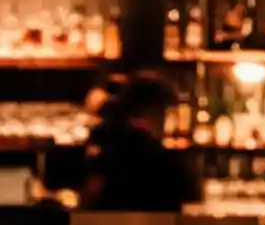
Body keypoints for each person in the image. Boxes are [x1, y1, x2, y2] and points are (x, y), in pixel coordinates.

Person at [79, 71, 199, 212]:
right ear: (156, 112)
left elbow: (90, 194)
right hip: (155, 224)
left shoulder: (104, 141)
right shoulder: (161, 159)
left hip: (103, 223)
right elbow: (191, 196)